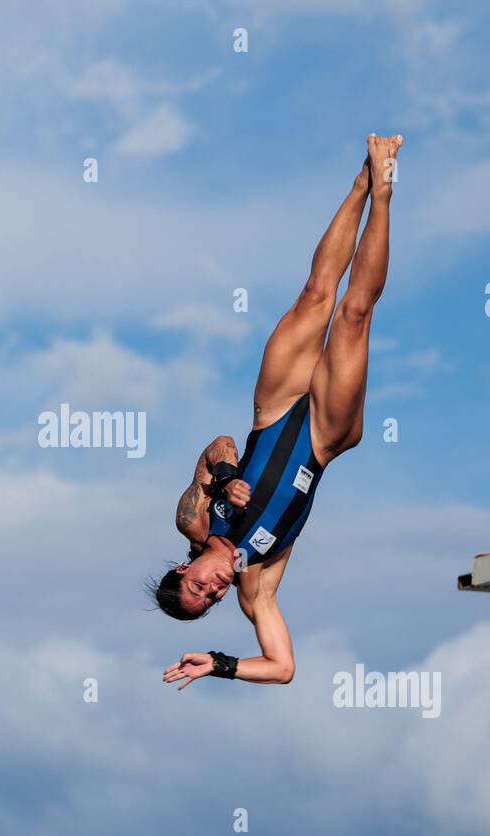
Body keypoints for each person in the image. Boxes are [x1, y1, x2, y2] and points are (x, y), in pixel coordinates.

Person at [154, 133, 401, 689]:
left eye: (198, 588)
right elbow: (283, 668)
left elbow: (217, 444)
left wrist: (224, 478)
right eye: (209, 601)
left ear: (182, 568)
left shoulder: (193, 519)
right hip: (322, 435)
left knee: (316, 293)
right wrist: (219, 663)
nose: (213, 590)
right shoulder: (254, 583)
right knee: (354, 313)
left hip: (274, 408)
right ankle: (384, 191)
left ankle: (363, 176)